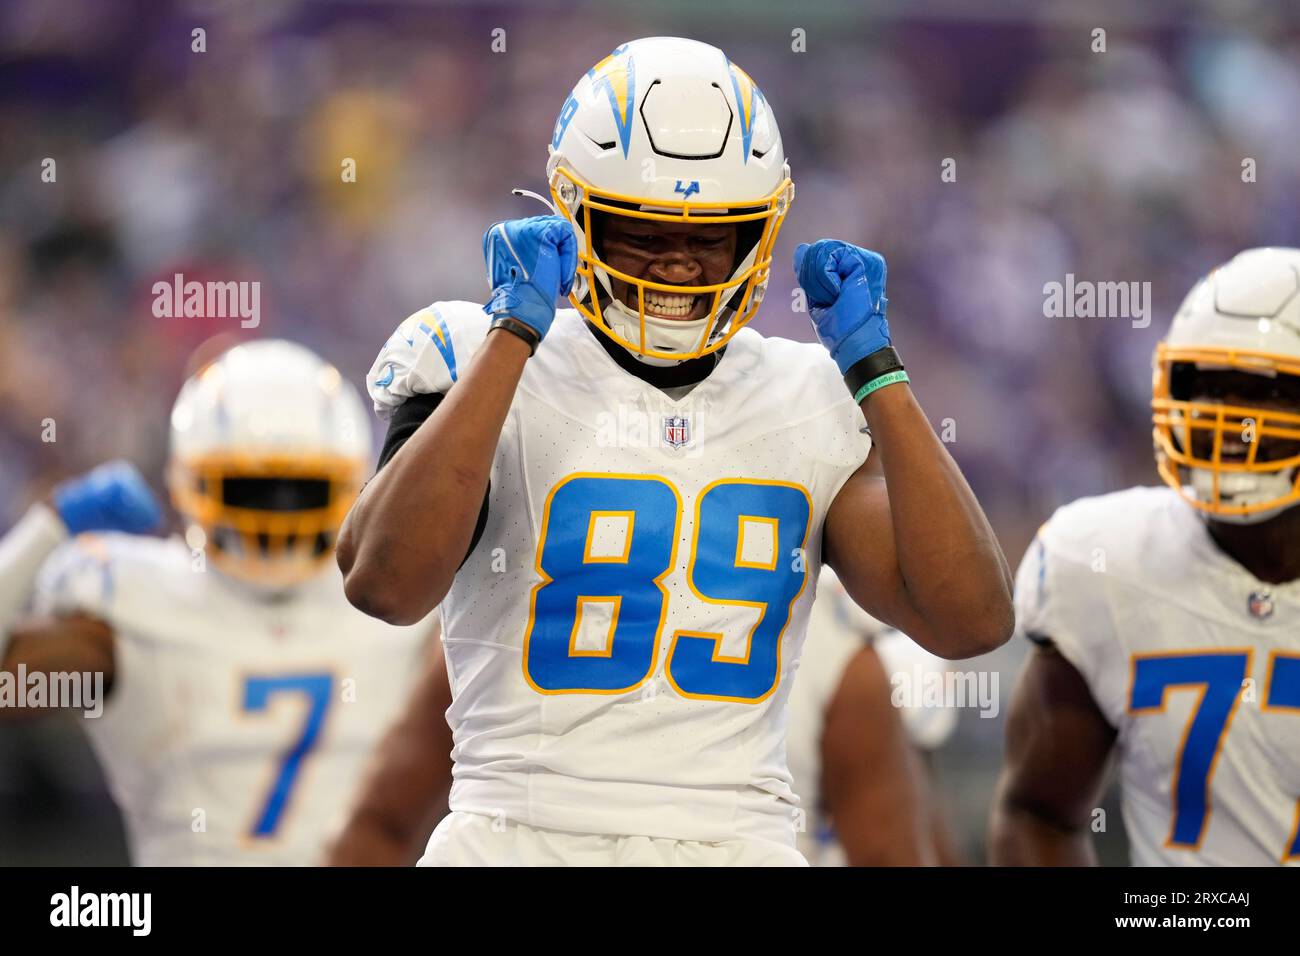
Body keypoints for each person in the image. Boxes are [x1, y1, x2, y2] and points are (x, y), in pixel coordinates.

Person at [339, 36, 1012, 866]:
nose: (678, 264)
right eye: (640, 231)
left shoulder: (808, 395)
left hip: (737, 841)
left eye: (711, 236)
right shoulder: (476, 352)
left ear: (760, 233)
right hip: (517, 836)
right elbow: (385, 584)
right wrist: (511, 337)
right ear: (574, 215)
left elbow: (971, 620)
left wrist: (879, 371)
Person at [0, 340, 436, 865]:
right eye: (251, 489)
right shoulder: (404, 600)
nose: (277, 513)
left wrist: (46, 528)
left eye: (301, 491)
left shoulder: (134, 593)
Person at [993, 247, 1300, 866]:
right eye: (1204, 386)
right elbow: (1038, 815)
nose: (1224, 419)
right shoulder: (1106, 563)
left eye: (1259, 392)